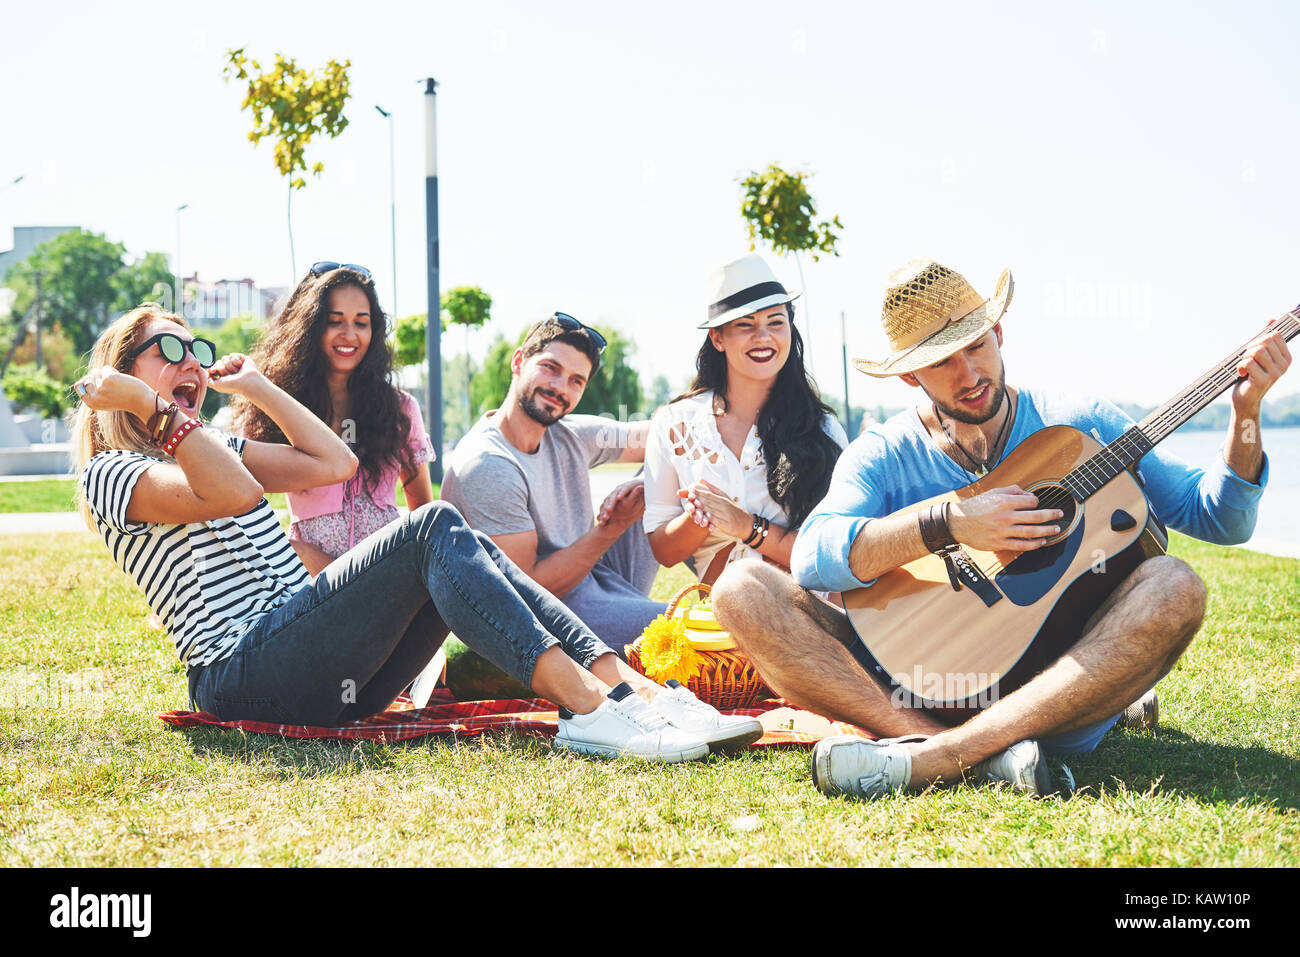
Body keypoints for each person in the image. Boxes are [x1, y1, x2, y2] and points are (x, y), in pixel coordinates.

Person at [70, 305, 764, 760]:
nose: (190, 362)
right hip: (243, 675)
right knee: (431, 525)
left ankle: (631, 695)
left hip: (323, 670)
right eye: (168, 349)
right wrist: (150, 410)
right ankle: (587, 708)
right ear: (121, 370)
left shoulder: (215, 444)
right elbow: (236, 493)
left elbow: (334, 461)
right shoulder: (113, 472)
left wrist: (254, 386)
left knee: (463, 542)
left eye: (198, 350)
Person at [710, 258, 1291, 798]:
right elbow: (813, 555)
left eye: (976, 346)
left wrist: (1244, 417)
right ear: (910, 377)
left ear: (1000, 336)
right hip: (910, 683)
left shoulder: (1079, 422)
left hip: (1053, 697)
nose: (968, 374)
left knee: (1176, 584)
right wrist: (949, 523)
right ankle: (946, 745)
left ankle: (938, 757)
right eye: (941, 361)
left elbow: (1220, 517)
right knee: (741, 590)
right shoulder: (885, 452)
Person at [441, 313, 664, 655]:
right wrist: (612, 526)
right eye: (550, 368)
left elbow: (659, 436)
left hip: (594, 577)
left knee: (670, 462)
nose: (561, 387)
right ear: (519, 361)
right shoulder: (487, 465)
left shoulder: (568, 434)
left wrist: (716, 406)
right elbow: (528, 593)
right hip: (549, 618)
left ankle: (744, 572)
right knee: (688, 632)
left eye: (576, 381)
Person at [642, 254, 847, 586]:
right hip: (715, 625)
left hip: (804, 617)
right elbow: (665, 553)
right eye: (745, 324)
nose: (763, 336)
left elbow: (832, 550)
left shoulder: (821, 429)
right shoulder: (673, 424)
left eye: (776, 322)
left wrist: (747, 526)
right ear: (718, 338)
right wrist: (699, 516)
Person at [235, 262, 434, 576]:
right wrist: (295, 552)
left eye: (362, 322)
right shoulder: (278, 408)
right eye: (335, 321)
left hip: (390, 577)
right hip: (312, 581)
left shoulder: (400, 409)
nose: (350, 334)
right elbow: (237, 499)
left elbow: (424, 512)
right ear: (311, 327)